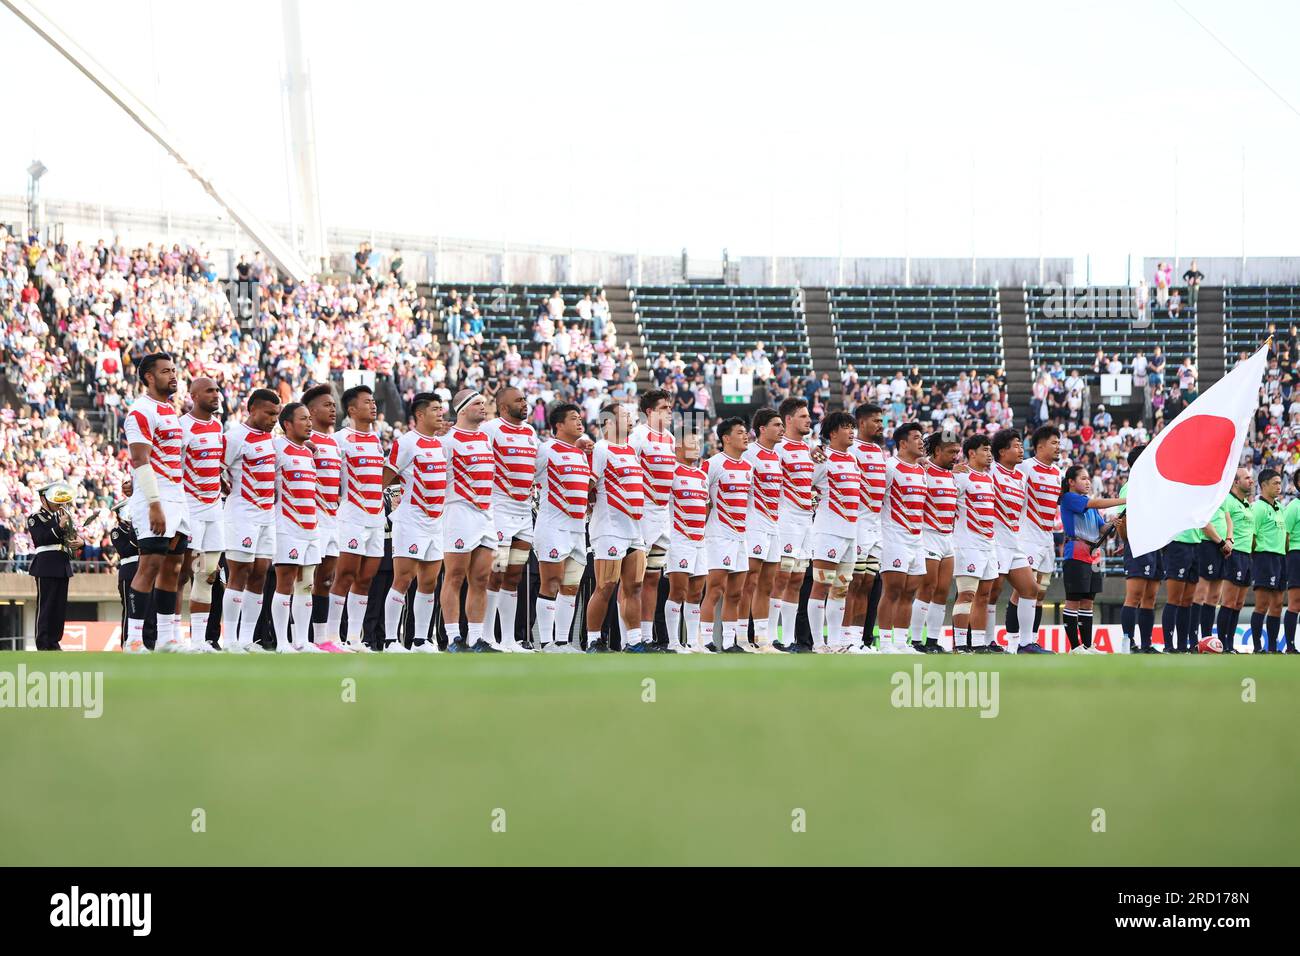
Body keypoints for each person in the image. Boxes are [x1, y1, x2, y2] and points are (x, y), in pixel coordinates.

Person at [122, 353, 191, 655]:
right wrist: (153, 503)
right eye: (165, 371)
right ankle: (134, 639)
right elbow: (140, 459)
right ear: (149, 377)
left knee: (174, 568)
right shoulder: (140, 410)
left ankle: (166, 638)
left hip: (178, 499)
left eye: (174, 371)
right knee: (148, 565)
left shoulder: (168, 410)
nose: (173, 376)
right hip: (157, 499)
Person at [380, 392, 448, 653]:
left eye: (441, 409)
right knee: (403, 579)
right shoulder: (406, 442)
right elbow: (387, 477)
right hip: (411, 521)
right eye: (435, 409)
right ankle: (389, 640)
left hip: (436, 522)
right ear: (420, 415)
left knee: (429, 582)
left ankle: (420, 639)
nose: (440, 413)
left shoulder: (441, 444)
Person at [480, 386, 540, 652]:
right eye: (518, 400)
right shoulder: (491, 429)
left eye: (525, 399)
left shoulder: (530, 432)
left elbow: (537, 467)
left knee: (514, 576)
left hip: (523, 513)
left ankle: (508, 639)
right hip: (499, 511)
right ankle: (486, 636)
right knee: (496, 573)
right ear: (504, 407)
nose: (524, 403)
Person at [439, 390, 499, 652]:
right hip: (458, 512)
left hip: (485, 515)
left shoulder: (486, 439)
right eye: (477, 404)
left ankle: (475, 637)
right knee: (454, 576)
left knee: (481, 578)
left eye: (485, 404)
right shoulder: (447, 441)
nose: (483, 408)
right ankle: (453, 637)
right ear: (462, 409)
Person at [222, 388, 281, 653]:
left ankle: (247, 638)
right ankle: (230, 639)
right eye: (269, 413)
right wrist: (226, 487)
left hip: (267, 516)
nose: (273, 419)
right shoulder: (234, 437)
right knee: (239, 573)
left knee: (260, 574)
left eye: (277, 415)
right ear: (252, 409)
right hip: (242, 514)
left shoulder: (273, 440)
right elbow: (216, 469)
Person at [585, 402, 647, 653]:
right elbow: (589, 484)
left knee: (634, 587)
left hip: (634, 528)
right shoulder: (601, 448)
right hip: (609, 528)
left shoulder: (632, 450)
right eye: (624, 415)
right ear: (609, 422)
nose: (631, 418)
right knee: (606, 585)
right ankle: (593, 640)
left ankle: (634, 641)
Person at [329, 385, 386, 653]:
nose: (373, 406)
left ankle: (354, 637)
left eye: (374, 401)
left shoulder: (376, 439)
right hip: (351, 516)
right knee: (345, 575)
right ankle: (331, 636)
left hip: (376, 517)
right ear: (352, 409)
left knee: (365, 579)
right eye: (367, 402)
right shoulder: (340, 439)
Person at [532, 403, 591, 653]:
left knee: (571, 587)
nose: (580, 422)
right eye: (574, 418)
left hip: (578, 528)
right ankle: (546, 642)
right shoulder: (546, 449)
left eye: (580, 418)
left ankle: (564, 641)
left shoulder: (581, 453)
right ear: (559, 425)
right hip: (553, 526)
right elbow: (528, 477)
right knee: (551, 583)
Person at [269, 402, 326, 654]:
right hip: (287, 525)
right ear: (288, 424)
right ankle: (282, 641)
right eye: (303, 419)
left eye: (310, 419)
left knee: (307, 584)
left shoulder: (308, 452)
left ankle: (301, 640)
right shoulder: (277, 447)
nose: (309, 423)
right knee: (285, 582)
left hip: (310, 526)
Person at [805, 411, 863, 652]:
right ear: (832, 433)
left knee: (842, 588)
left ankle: (836, 641)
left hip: (851, 532)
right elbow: (803, 483)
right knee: (821, 585)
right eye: (846, 427)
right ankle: (819, 642)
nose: (851, 432)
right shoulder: (822, 458)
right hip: (828, 531)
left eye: (852, 427)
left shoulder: (852, 460)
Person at [178, 376, 225, 654]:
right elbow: (172, 464)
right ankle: (169, 635)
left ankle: (199, 641)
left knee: (207, 574)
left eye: (217, 390)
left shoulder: (217, 426)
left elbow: (212, 463)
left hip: (214, 510)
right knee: (181, 574)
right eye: (210, 390)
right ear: (194, 396)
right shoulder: (182, 426)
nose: (216, 394)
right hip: (191, 510)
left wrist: (221, 479)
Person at [699, 416, 753, 652]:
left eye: (745, 432)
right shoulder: (712, 464)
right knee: (715, 589)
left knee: (736, 592)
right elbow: (702, 500)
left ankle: (730, 642)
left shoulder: (749, 467)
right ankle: (705, 640)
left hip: (741, 536)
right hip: (718, 535)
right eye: (740, 432)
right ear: (726, 438)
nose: (745, 436)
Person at [1057, 466, 1125, 654]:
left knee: (1088, 601)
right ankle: (1075, 647)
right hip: (1076, 552)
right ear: (1071, 482)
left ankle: (1087, 646)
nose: (1088, 482)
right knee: (1073, 601)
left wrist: (1112, 524)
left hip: (1094, 555)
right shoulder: (1070, 498)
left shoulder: (1088, 504)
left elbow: (1102, 529)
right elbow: (1095, 504)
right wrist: (1126, 500)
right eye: (1083, 478)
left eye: (1089, 478)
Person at [629, 389, 676, 651]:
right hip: (642, 514)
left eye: (670, 407)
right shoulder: (637, 436)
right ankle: (630, 637)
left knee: (653, 579)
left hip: (662, 515)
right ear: (649, 412)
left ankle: (647, 636)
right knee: (633, 579)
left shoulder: (670, 438)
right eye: (664, 407)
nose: (669, 411)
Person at [772, 397, 818, 651]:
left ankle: (788, 639)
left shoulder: (809, 449)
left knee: (797, 580)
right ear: (788, 420)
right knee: (781, 578)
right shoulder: (778, 449)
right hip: (785, 519)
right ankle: (769, 636)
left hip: (806, 521)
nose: (808, 420)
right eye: (803, 416)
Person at [1012, 425, 1063, 654]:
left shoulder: (1057, 472)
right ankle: (1016, 642)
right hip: (1027, 538)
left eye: (1058, 443)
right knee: (1025, 590)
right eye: (1054, 443)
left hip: (1047, 538)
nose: (1058, 447)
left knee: (1040, 592)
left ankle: (1031, 640)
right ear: (1040, 446)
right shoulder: (1025, 467)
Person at [877, 422, 927, 655]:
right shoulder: (889, 467)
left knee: (910, 591)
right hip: (893, 536)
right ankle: (885, 642)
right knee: (893, 590)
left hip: (917, 538)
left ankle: (900, 641)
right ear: (903, 443)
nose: (921, 441)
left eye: (922, 437)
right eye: (916, 437)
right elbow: (876, 501)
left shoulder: (922, 471)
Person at [302, 384, 346, 651]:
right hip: (309, 518)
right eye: (327, 405)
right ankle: (295, 637)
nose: (333, 409)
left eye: (333, 405)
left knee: (326, 580)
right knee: (304, 579)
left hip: (332, 517)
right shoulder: (304, 441)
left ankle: (321, 639)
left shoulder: (334, 441)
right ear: (311, 411)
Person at [949, 435, 999, 654]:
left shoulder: (988, 478)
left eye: (990, 451)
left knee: (984, 596)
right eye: (985, 450)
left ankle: (978, 644)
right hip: (967, 544)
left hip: (989, 544)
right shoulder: (960, 477)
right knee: (967, 594)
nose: (989, 454)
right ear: (971, 453)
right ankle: (960, 644)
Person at [740, 407, 784, 652]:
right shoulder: (750, 454)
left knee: (768, 584)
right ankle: (740, 637)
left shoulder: (776, 456)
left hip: (773, 525)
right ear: (762, 429)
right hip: (753, 524)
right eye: (776, 425)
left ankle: (762, 638)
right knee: (749, 582)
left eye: (781, 425)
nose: (781, 429)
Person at [912, 431, 959, 653]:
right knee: (927, 588)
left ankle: (932, 640)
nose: (956, 456)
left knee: (942, 591)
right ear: (937, 451)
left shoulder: (954, 474)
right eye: (951, 452)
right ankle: (914, 640)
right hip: (928, 535)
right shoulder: (923, 469)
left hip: (948, 538)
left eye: (958, 452)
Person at [664, 428, 710, 652]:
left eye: (699, 442)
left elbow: (706, 508)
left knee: (696, 593)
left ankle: (693, 641)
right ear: (678, 447)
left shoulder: (702, 475)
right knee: (678, 591)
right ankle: (673, 642)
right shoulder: (670, 472)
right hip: (678, 539)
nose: (697, 446)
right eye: (692, 442)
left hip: (700, 540)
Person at [848, 403, 886, 653]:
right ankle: (847, 638)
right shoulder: (851, 449)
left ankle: (862, 640)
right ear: (862, 423)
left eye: (881, 421)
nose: (880, 426)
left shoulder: (880, 451)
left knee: (869, 585)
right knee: (854, 583)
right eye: (876, 421)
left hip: (876, 526)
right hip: (858, 525)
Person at [1117, 445, 1161, 653]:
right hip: (1138, 546)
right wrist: (1127, 541)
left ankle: (1146, 644)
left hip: (1155, 545)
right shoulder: (1131, 486)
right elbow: (1121, 520)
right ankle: (1128, 643)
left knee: (1150, 597)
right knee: (1134, 596)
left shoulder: (1154, 487)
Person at [27, 482, 79, 651]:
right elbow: (41, 539)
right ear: (44, 499)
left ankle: (54, 642)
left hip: (62, 564)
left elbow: (70, 539)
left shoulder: (61, 516)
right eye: (55, 499)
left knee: (58, 607)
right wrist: (60, 527)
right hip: (46, 564)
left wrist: (80, 542)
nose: (60, 503)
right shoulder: (36, 517)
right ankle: (43, 643)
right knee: (46, 606)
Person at [1217, 467, 1255, 654]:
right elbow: (1223, 524)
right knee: (1229, 602)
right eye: (1247, 478)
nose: (1251, 481)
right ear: (1236, 482)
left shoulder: (1247, 504)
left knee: (1239, 604)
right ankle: (1223, 644)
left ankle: (1230, 644)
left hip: (1247, 556)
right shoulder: (1228, 501)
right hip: (1235, 554)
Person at [1249, 468, 1286, 654]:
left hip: (1280, 558)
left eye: (1280, 483)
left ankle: (1272, 648)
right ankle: (1257, 647)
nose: (1279, 487)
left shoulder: (1280, 507)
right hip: (1265, 558)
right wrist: (1258, 555)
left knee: (1278, 605)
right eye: (1275, 483)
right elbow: (1252, 536)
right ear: (1263, 485)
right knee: (1262, 604)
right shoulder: (1257, 508)